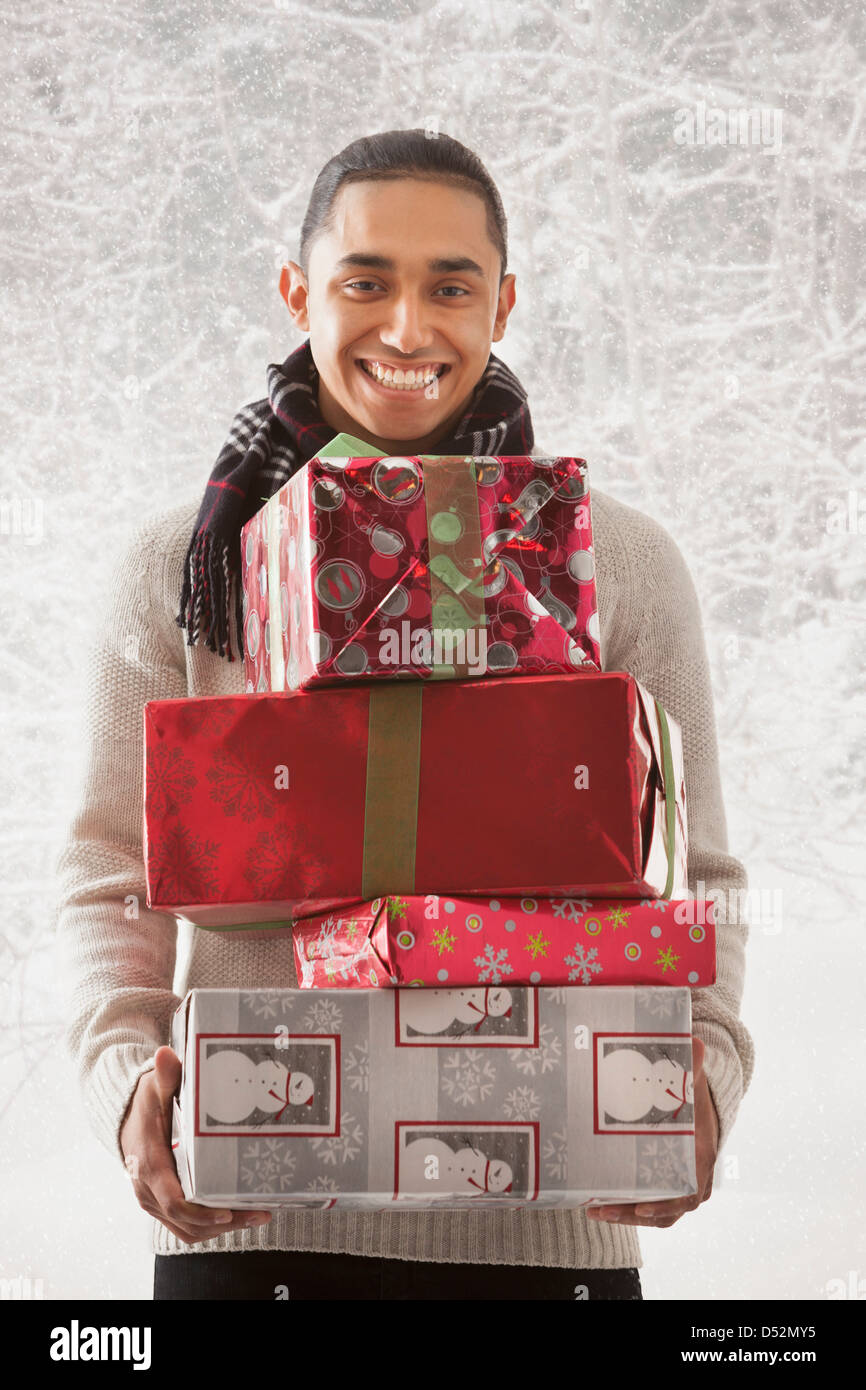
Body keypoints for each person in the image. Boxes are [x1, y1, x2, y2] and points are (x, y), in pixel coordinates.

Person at [55, 128, 754, 1302]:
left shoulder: (616, 558)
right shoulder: (191, 564)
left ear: (503, 301)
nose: (407, 327)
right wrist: (127, 1079)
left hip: (553, 1232)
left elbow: (701, 869)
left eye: (450, 284)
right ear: (298, 293)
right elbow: (107, 871)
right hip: (251, 1226)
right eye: (365, 280)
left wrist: (705, 1080)